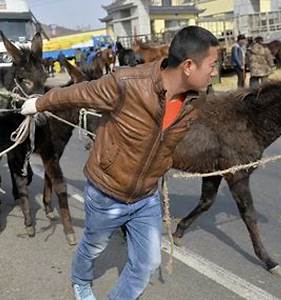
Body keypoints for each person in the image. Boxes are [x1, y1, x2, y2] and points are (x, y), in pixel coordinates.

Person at [20, 26, 219, 300]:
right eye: (213, 64)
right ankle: (80, 279)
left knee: (149, 263)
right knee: (93, 247)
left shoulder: (196, 102)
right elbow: (79, 93)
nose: (215, 72)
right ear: (188, 66)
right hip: (107, 194)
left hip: (146, 197)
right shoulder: (127, 82)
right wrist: (39, 103)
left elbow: (168, 143)